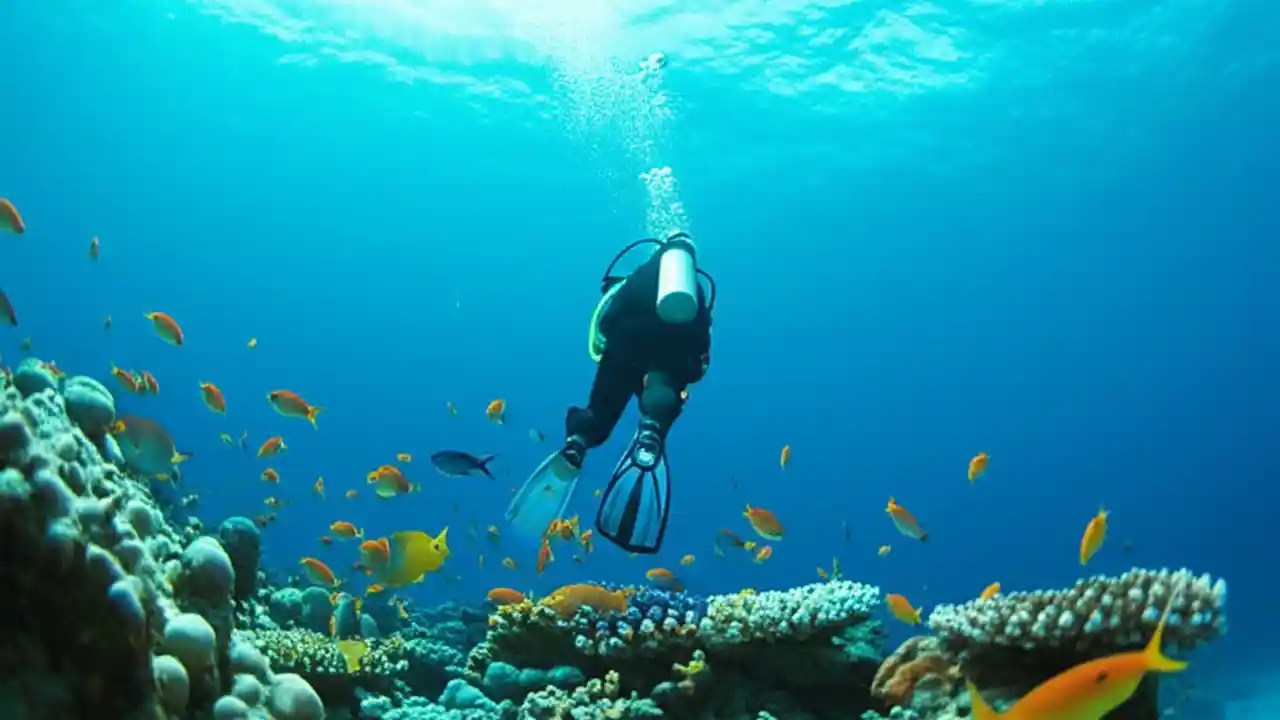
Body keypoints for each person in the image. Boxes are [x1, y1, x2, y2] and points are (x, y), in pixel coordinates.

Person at [507, 232, 715, 553]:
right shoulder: (694, 289)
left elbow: (600, 330)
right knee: (662, 386)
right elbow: (699, 358)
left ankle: (579, 441)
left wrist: (617, 354)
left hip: (626, 333)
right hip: (676, 342)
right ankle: (652, 430)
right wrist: (676, 380)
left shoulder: (635, 279)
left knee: (600, 413)